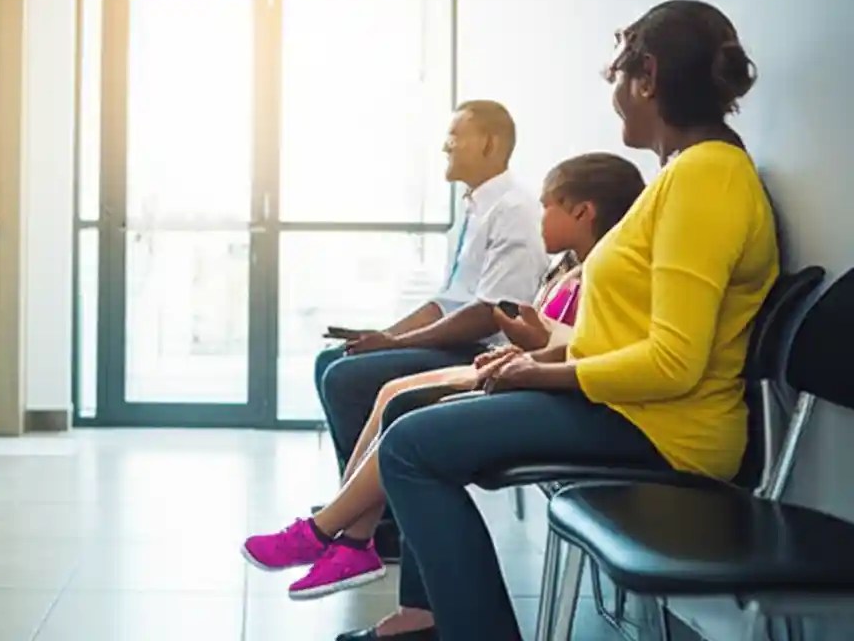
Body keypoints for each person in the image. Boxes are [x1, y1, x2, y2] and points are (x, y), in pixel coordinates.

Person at [351, 0, 779, 641]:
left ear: (647, 77)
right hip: (633, 409)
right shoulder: (690, 174)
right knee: (411, 418)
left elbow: (673, 362)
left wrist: (537, 375)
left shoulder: (706, 179)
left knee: (412, 448)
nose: (614, 95)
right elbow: (640, 334)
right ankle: (425, 618)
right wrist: (542, 357)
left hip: (664, 429)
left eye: (616, 75)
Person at [242, 153, 646, 602]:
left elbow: (585, 346)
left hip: (546, 383)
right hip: (528, 367)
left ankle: (340, 532)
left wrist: (530, 350)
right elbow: (559, 337)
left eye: (548, 206)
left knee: (401, 404)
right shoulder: (565, 269)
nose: (540, 216)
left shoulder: (601, 267)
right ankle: (350, 532)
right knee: (391, 391)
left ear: (582, 212)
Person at [313, 100, 548, 557]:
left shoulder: (514, 210)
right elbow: (447, 301)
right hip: (458, 340)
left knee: (346, 378)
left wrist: (395, 344)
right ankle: (361, 508)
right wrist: (380, 338)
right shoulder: (475, 208)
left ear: (489, 143)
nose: (445, 146)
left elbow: (490, 313)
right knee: (335, 361)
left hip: (483, 355)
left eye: (455, 135)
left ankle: (380, 524)